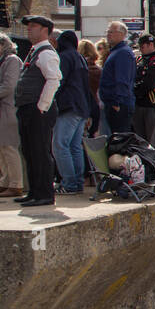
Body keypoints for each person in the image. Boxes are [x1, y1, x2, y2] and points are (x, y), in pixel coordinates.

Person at [9, 16, 62, 208]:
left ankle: (44, 193)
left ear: (45, 30)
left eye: (34, 26)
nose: (29, 29)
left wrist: (42, 106)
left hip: (37, 109)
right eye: (29, 26)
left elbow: (54, 80)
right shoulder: (34, 51)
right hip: (29, 108)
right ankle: (34, 191)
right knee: (30, 151)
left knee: (40, 151)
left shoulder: (46, 53)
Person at [52, 29, 94, 195]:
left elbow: (59, 82)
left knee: (60, 145)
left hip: (68, 106)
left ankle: (69, 183)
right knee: (75, 147)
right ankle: (77, 182)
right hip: (81, 108)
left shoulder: (64, 57)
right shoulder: (80, 58)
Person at [131, 34, 155, 155]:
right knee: (139, 139)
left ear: (151, 45)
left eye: (143, 46)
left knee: (152, 139)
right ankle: (143, 166)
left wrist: (136, 90)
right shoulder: (139, 60)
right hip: (139, 103)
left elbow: (150, 82)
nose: (140, 48)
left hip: (152, 104)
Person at [99, 21, 135, 134]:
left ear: (122, 34)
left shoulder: (123, 53)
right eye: (107, 32)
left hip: (119, 104)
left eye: (111, 32)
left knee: (119, 141)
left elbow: (122, 79)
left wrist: (117, 103)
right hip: (113, 103)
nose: (108, 35)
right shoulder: (116, 52)